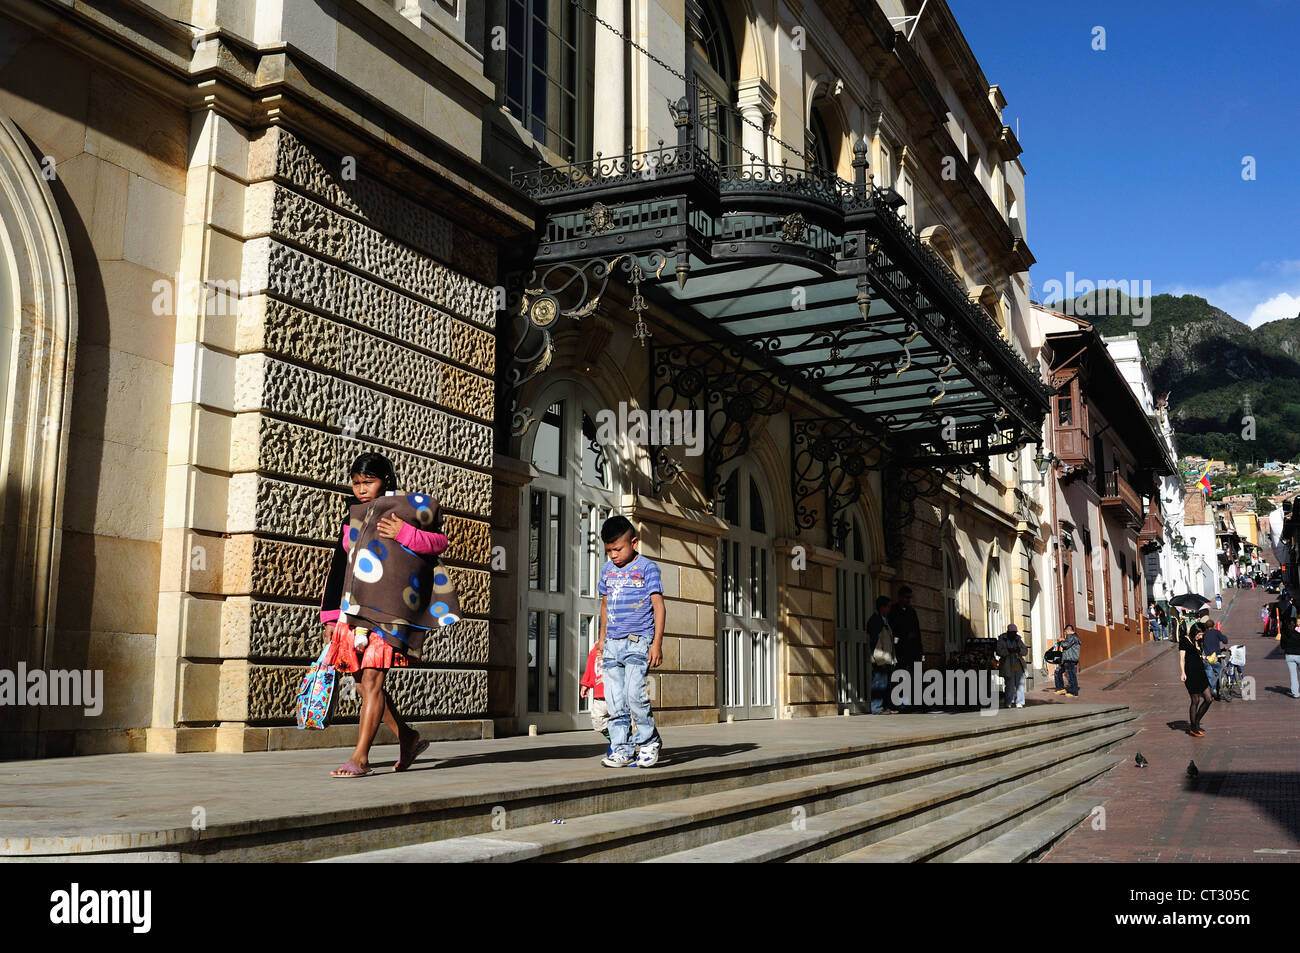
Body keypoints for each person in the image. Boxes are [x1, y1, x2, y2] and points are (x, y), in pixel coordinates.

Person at [319, 452, 460, 778]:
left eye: (369, 482)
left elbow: (439, 543)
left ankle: (360, 758)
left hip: (386, 613)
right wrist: (330, 618)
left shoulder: (404, 511)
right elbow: (341, 568)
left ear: (386, 480)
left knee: (371, 680)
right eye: (356, 483)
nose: (361, 489)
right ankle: (408, 738)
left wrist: (404, 534)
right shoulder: (353, 516)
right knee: (362, 685)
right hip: (352, 614)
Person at [597, 515, 665, 768]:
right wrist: (602, 640)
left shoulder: (648, 568)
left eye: (618, 549)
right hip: (612, 643)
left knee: (635, 694)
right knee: (614, 700)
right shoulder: (607, 571)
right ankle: (622, 749)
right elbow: (604, 605)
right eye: (609, 550)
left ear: (634, 542)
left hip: (638, 641)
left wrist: (656, 644)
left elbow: (659, 607)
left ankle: (648, 742)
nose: (613, 555)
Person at [1179, 616, 1213, 737]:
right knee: (1196, 700)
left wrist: (1204, 657)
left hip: (1200, 672)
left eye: (1202, 634)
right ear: (1195, 631)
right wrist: (1183, 672)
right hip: (1190, 673)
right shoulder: (1184, 640)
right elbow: (1182, 659)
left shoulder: (1198, 641)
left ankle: (1196, 721)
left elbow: (1198, 655)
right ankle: (1193, 727)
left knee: (1209, 698)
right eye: (1199, 634)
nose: (1201, 636)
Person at [890, 586, 922, 709]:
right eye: (906, 597)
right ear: (900, 597)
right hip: (900, 649)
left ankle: (912, 701)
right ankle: (899, 702)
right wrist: (904, 636)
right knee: (899, 676)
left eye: (910, 598)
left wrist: (920, 650)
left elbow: (917, 632)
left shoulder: (912, 611)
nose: (908, 600)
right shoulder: (893, 611)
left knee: (913, 676)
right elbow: (892, 631)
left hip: (912, 649)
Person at [867, 596, 895, 713]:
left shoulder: (884, 621)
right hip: (880, 658)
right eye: (888, 607)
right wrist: (880, 659)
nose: (889, 609)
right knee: (879, 682)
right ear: (882, 607)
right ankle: (876, 707)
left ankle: (885, 706)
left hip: (887, 657)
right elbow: (874, 642)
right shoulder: (875, 620)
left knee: (886, 683)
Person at [579, 641, 609, 743]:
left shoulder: (621, 643)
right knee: (598, 721)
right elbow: (591, 665)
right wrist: (586, 684)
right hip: (600, 695)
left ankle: (622, 745)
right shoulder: (597, 646)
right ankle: (614, 740)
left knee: (620, 721)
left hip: (616, 694)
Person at [996, 623, 1028, 708]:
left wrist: (1019, 650)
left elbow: (1025, 651)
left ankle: (1020, 702)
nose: (1014, 634)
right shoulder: (1002, 640)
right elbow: (999, 651)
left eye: (1015, 632)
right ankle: (1008, 701)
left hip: (1017, 664)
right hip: (1007, 664)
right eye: (1012, 632)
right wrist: (1008, 651)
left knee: (1020, 683)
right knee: (1009, 684)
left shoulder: (1018, 639)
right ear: (1008, 632)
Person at [1198, 609, 1226, 698]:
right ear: (1213, 625)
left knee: (1209, 676)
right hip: (1215, 657)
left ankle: (1209, 693)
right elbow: (1225, 640)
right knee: (1220, 673)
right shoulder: (1216, 632)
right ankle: (1215, 689)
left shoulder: (1204, 634)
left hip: (1206, 658)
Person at [1053, 625, 1081, 697]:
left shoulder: (1072, 636)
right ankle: (1060, 688)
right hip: (1066, 659)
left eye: (1065, 632)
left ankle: (1073, 692)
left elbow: (1066, 645)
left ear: (1068, 631)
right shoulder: (1072, 637)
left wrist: (1062, 641)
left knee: (1070, 675)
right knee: (1058, 671)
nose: (1065, 633)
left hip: (1070, 659)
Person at [1281, 607, 1300, 698]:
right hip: (1299, 655)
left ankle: (1295, 693)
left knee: (1293, 675)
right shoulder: (1298, 634)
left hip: (1289, 655)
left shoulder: (1285, 634)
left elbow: (1282, 646)